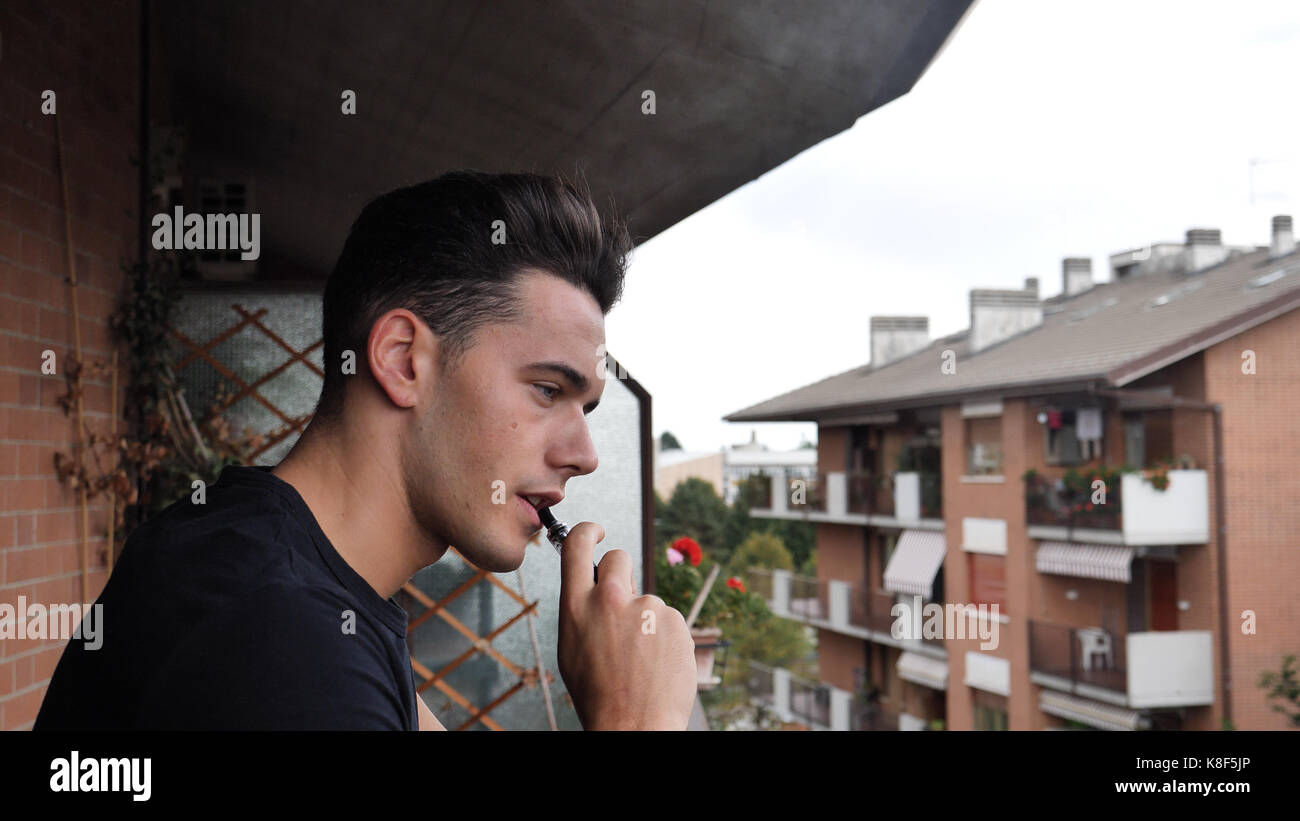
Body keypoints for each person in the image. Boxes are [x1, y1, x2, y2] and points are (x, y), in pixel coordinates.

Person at [34, 171, 698, 731]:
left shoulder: (274, 570)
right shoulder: (278, 636)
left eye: (586, 410)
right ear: (404, 360)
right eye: (548, 388)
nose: (586, 454)